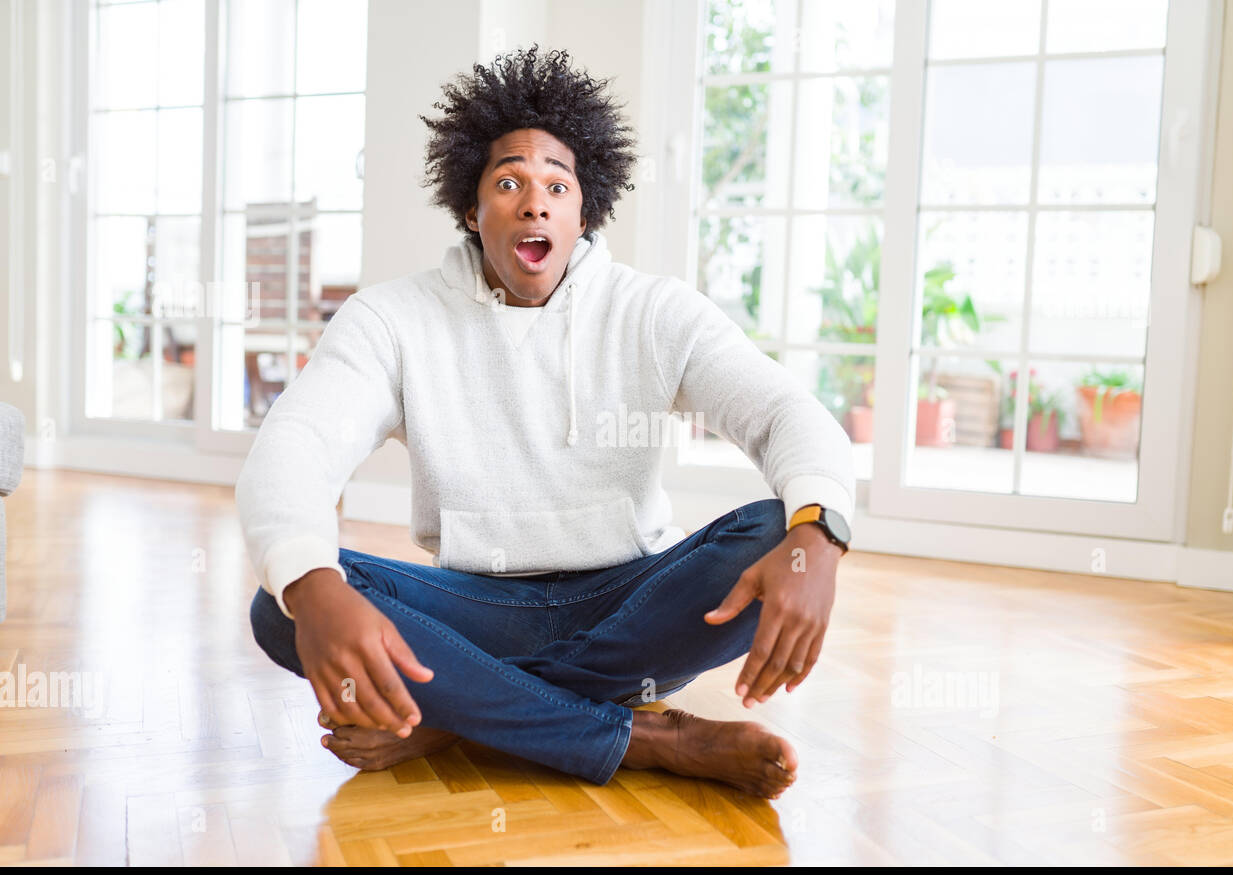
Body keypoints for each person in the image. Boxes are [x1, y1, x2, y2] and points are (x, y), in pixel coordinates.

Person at [237, 44, 855, 800]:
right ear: (472, 208)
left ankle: (467, 718)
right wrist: (315, 587)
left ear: (583, 211)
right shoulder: (391, 320)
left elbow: (787, 412)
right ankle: (641, 736)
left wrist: (817, 537)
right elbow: (295, 446)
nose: (535, 203)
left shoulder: (652, 311)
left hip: (631, 604)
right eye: (509, 183)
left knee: (770, 535)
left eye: (556, 186)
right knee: (284, 603)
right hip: (472, 611)